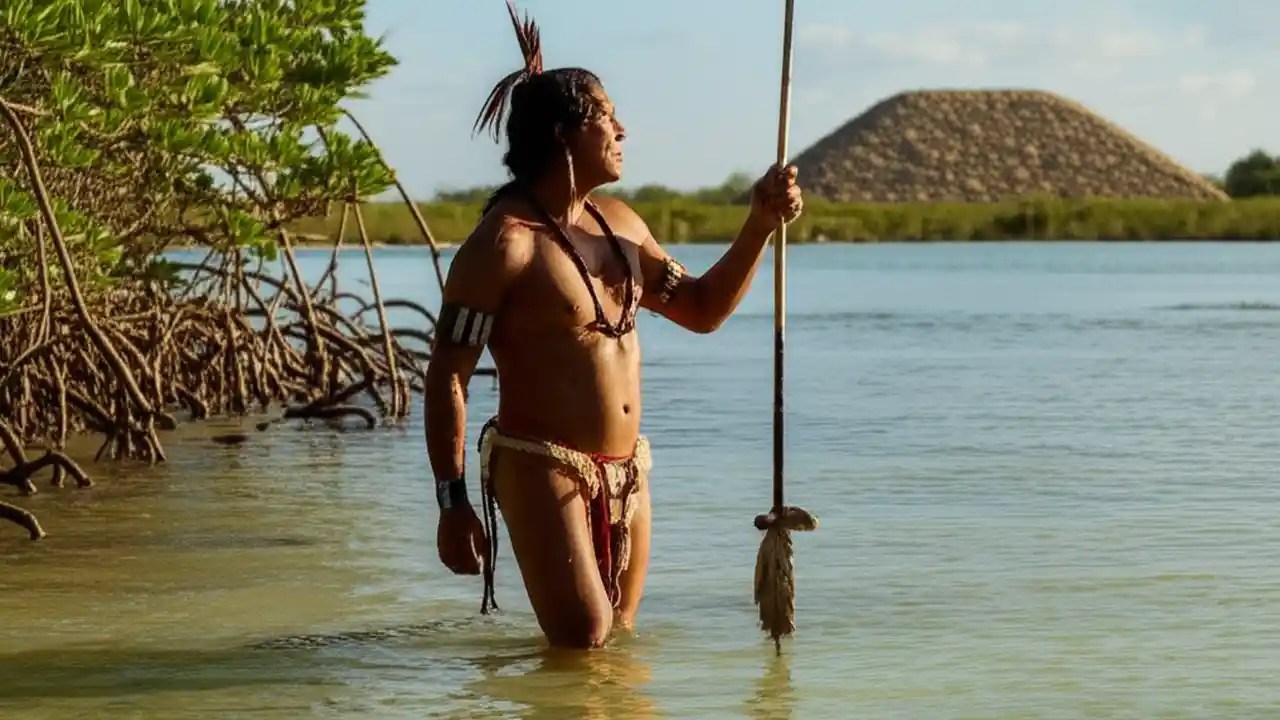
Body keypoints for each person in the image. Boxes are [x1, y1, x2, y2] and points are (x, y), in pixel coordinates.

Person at [424, 1, 803, 650]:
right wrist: (452, 501)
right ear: (565, 135)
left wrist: (759, 224)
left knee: (618, 643)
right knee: (585, 637)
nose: (623, 128)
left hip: (628, 471)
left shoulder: (622, 226)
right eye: (607, 116)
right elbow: (448, 375)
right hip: (541, 462)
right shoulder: (503, 245)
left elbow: (704, 310)